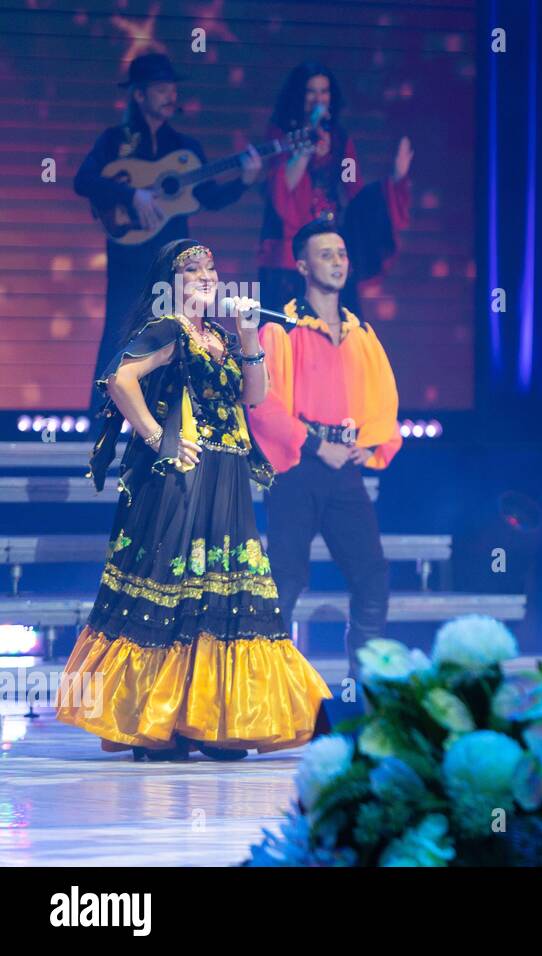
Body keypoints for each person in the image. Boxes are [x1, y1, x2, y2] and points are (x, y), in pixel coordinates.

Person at [55, 239, 331, 760]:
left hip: (225, 480)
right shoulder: (168, 329)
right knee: (173, 593)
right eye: (192, 270)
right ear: (170, 284)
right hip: (180, 481)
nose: (206, 276)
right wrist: (158, 434)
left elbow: (254, 396)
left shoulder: (222, 337)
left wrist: (250, 334)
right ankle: (158, 720)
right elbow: (119, 378)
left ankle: (214, 720)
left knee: (222, 598)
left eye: (211, 267)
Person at [247, 220, 402, 676]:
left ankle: (364, 685)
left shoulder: (361, 334)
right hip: (297, 466)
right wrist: (315, 444)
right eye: (325, 254)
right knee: (286, 579)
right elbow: (262, 402)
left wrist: (368, 442)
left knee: (372, 574)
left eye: (342, 253)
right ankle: (268, 686)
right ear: (301, 265)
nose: (337, 261)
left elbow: (384, 398)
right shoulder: (282, 328)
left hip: (344, 468)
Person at [74, 53, 261, 412]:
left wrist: (244, 180)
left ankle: (174, 414)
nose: (170, 96)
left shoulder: (185, 148)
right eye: (161, 89)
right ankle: (101, 421)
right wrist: (132, 194)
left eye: (172, 89)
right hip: (130, 256)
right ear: (139, 95)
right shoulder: (115, 140)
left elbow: (209, 197)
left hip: (174, 261)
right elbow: (84, 180)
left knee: (177, 329)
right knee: (120, 328)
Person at [258, 61, 412, 319]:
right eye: (311, 91)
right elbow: (282, 191)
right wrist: (307, 143)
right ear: (299, 95)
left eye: (324, 91)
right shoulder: (280, 136)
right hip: (286, 250)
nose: (318, 98)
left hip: (328, 243)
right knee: (286, 327)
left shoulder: (340, 140)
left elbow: (356, 194)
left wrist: (394, 180)